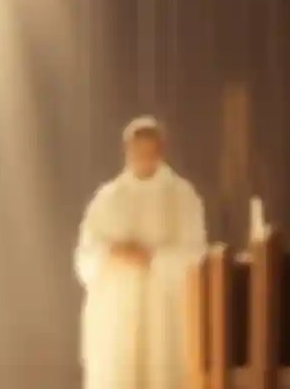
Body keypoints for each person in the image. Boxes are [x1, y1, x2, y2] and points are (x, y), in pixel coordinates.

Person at [75, 116, 208, 389]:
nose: (143, 156)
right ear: (127, 151)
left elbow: (195, 253)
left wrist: (151, 258)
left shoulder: (182, 195)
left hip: (163, 315)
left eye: (150, 150)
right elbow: (84, 254)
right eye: (137, 150)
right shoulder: (107, 198)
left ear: (161, 150)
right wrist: (112, 254)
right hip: (117, 317)